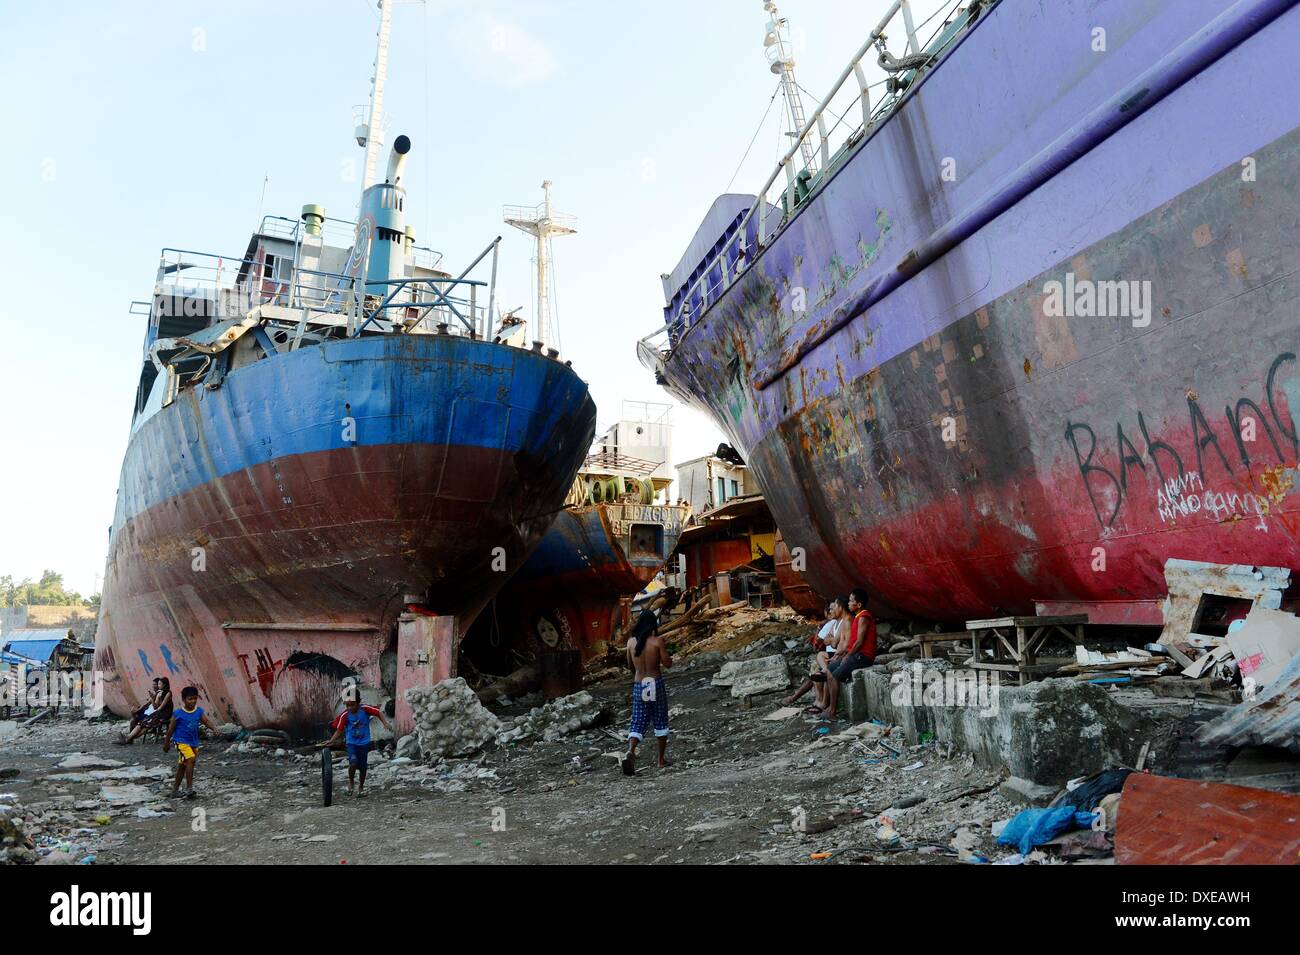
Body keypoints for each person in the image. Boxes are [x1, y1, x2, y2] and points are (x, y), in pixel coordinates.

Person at [621, 588, 678, 775]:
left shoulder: (630, 643)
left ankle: (630, 751)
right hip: (655, 682)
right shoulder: (657, 641)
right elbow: (667, 664)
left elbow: (630, 666)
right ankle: (661, 760)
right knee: (660, 719)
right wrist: (670, 657)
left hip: (639, 683)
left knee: (638, 720)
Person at [322, 690, 393, 798]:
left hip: (364, 743)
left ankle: (361, 787)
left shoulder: (365, 709)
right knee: (353, 762)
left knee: (363, 768)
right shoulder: (345, 715)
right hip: (352, 743)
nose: (350, 707)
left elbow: (378, 713)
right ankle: (351, 782)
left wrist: (385, 723)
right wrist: (331, 740)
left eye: (352, 704)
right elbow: (339, 730)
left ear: (358, 702)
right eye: (347, 705)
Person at [783, 598, 848, 712]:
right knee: (818, 668)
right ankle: (812, 700)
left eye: (833, 608)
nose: (831, 612)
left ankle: (820, 702)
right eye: (830, 609)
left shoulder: (840, 622)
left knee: (823, 671)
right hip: (831, 653)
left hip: (837, 654)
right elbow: (826, 641)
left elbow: (827, 641)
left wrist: (827, 637)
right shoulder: (834, 623)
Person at [822, 587, 878, 719]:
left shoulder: (864, 617)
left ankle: (833, 711)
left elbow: (859, 642)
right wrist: (841, 654)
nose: (848, 603)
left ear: (859, 605)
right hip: (856, 654)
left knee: (835, 676)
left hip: (863, 656)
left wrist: (848, 655)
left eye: (851, 601)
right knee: (830, 669)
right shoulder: (857, 617)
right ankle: (830, 706)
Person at [164, 686, 221, 799]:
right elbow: (170, 729)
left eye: (195, 698)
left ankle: (175, 791)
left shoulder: (198, 711)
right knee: (191, 760)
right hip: (180, 742)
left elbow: (206, 721)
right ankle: (189, 789)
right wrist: (166, 743)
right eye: (190, 699)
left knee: (182, 766)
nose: (193, 701)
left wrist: (214, 728)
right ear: (184, 700)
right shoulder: (178, 713)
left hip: (193, 742)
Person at [117, 677, 172, 744]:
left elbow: (161, 707)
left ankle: (128, 739)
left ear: (164, 685)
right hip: (157, 712)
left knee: (146, 725)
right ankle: (128, 738)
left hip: (164, 713)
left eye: (159, 684)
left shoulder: (168, 693)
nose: (158, 685)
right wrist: (152, 699)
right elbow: (155, 707)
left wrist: (153, 713)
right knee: (141, 723)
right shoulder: (158, 693)